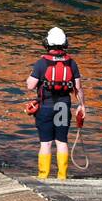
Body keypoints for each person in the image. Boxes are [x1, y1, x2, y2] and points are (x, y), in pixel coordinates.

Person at [25, 26, 86, 180]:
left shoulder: (41, 63)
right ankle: (62, 176)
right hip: (63, 107)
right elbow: (78, 88)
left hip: (45, 107)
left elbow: (30, 85)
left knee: (45, 143)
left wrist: (31, 76)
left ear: (47, 43)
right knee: (61, 141)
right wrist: (82, 105)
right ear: (65, 43)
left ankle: (43, 176)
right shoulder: (72, 63)